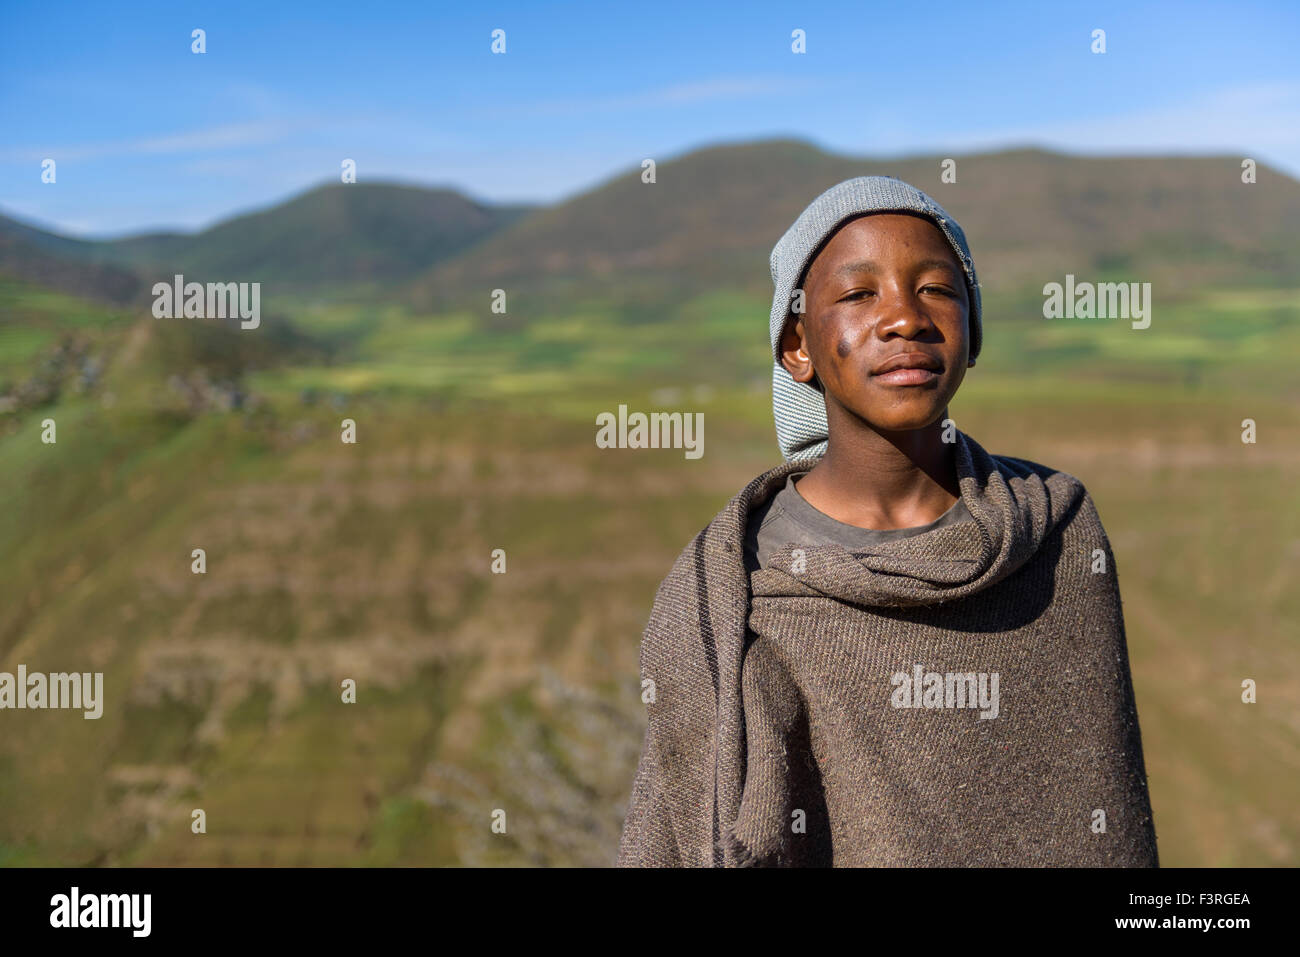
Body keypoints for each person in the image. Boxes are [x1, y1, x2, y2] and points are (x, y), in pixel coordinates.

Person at [615, 175, 1158, 867]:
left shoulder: (1056, 530)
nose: (906, 317)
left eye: (935, 288)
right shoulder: (734, 591)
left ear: (974, 328)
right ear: (797, 346)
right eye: (858, 293)